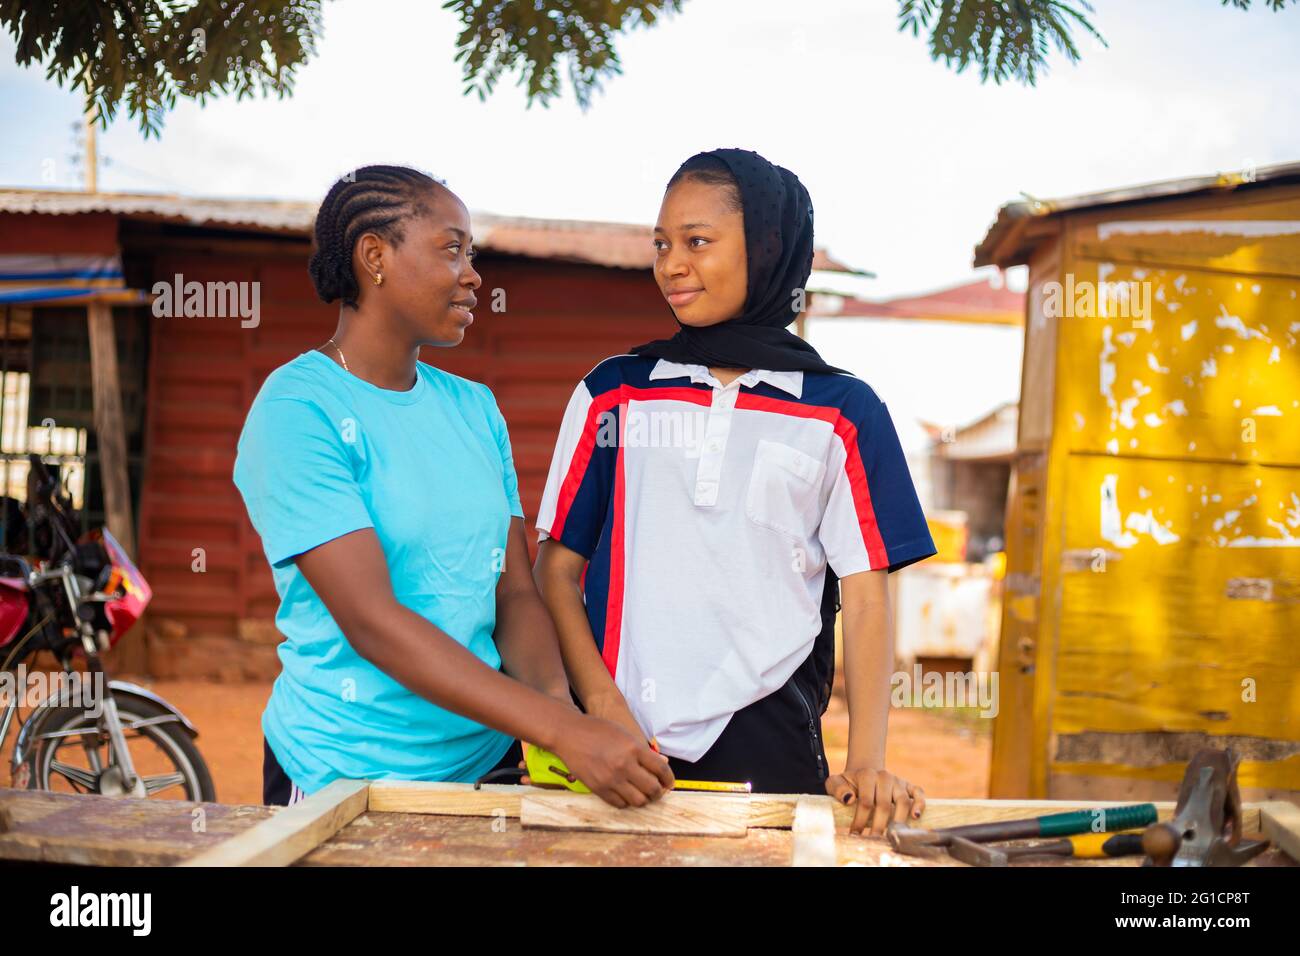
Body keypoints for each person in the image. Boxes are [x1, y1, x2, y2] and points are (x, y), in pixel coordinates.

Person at [233, 164, 673, 808]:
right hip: (348, 775)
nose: (473, 275)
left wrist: (554, 717)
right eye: (451, 249)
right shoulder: (298, 409)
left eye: (473, 253)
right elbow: (372, 621)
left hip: (486, 767)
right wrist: (560, 725)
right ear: (374, 257)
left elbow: (515, 591)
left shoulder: (474, 408)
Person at [533, 148, 937, 834]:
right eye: (661, 244)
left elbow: (867, 596)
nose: (671, 264)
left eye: (697, 242)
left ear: (768, 248)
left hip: (770, 736)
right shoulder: (616, 392)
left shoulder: (842, 411)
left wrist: (867, 761)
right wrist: (600, 708)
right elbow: (556, 567)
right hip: (618, 744)